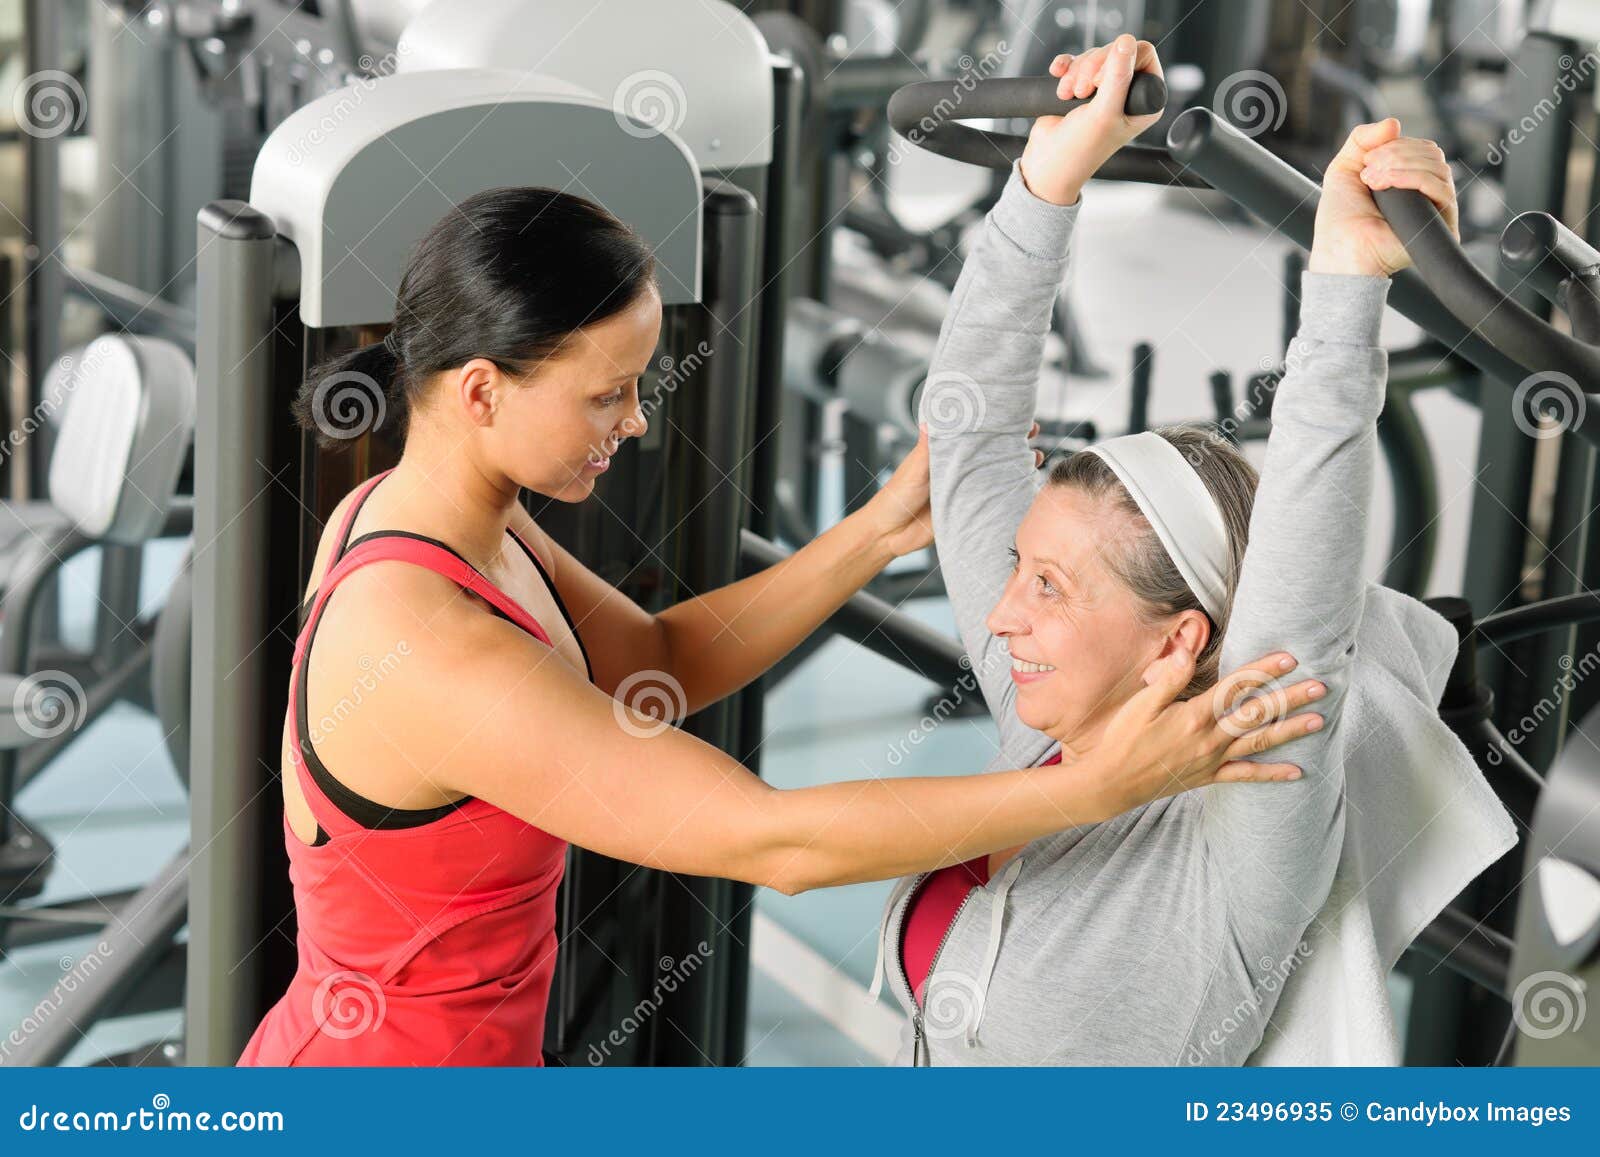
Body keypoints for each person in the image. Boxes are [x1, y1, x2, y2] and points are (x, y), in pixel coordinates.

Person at [237, 178, 1323, 1067]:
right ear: (481, 391)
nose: (636, 418)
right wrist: (1090, 789)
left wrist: (869, 533)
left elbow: (658, 660)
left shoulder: (447, 519)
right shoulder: (426, 642)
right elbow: (773, 841)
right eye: (606, 393)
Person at [870, 34, 1459, 1065]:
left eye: (1046, 584)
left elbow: (1295, 617)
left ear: (1175, 641)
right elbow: (966, 434)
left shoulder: (1244, 818)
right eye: (1016, 569)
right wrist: (1047, 177)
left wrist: (1345, 283)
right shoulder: (1042, 716)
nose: (998, 615)